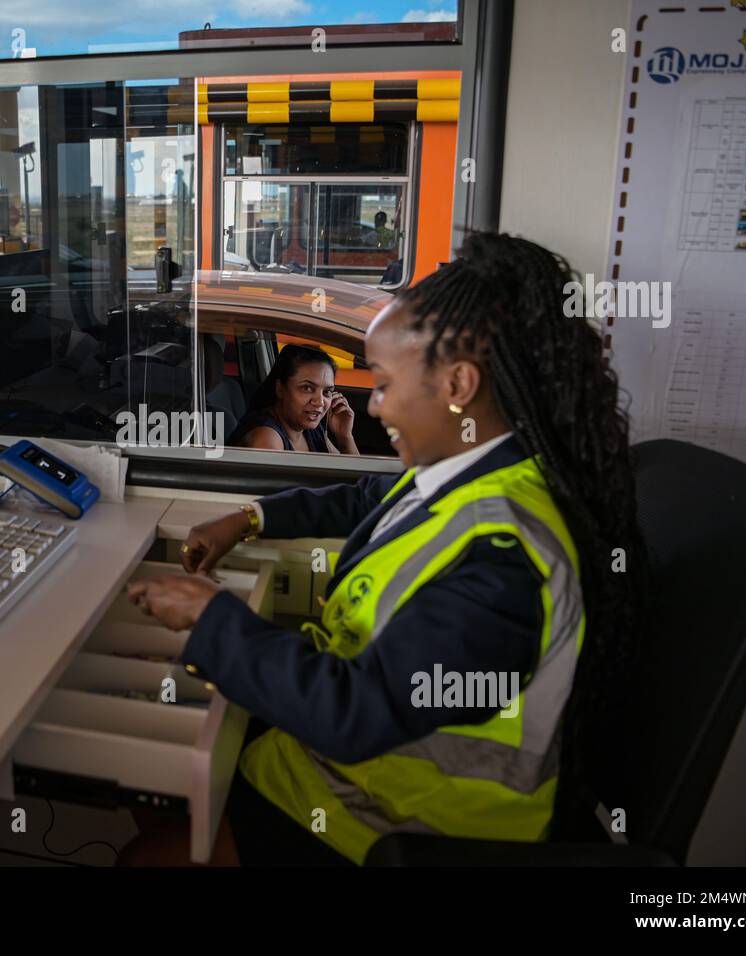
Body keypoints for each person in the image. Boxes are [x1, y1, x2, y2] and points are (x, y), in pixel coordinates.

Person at [124, 231, 646, 865]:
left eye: (387, 383)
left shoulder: (502, 557)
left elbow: (359, 713)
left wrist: (212, 616)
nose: (374, 404)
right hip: (348, 777)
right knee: (156, 753)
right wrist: (249, 518)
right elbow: (361, 498)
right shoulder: (472, 471)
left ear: (457, 384)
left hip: (389, 827)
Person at [227, 343, 359, 455]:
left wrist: (345, 436)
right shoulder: (267, 438)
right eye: (307, 388)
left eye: (327, 392)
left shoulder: (309, 429)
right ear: (280, 389)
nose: (319, 402)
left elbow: (357, 479)